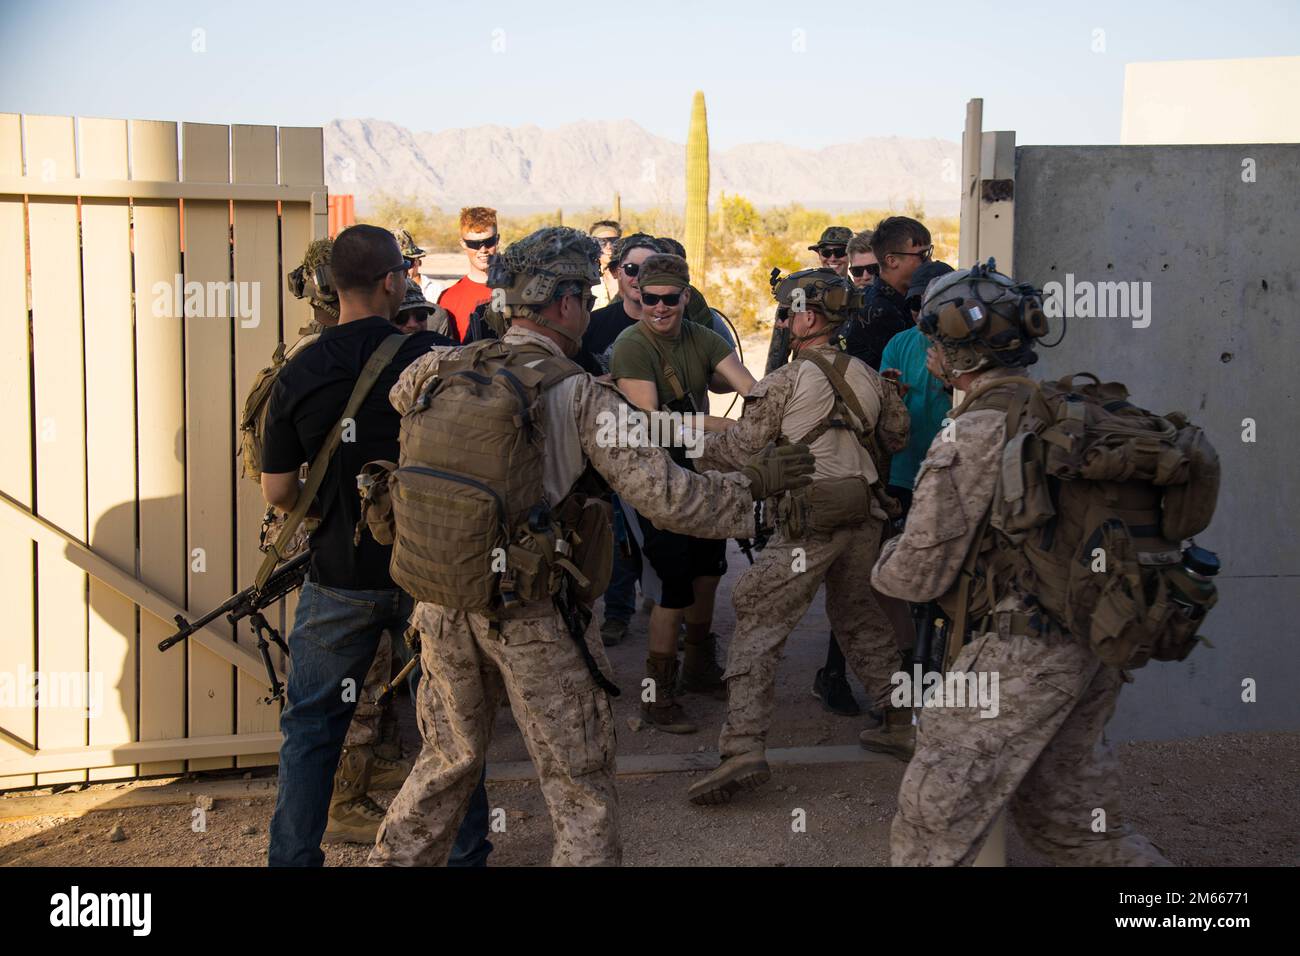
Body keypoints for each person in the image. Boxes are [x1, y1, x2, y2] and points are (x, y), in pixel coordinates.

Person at [369, 226, 815, 865]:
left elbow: (401, 406)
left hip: (441, 598)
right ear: (565, 302)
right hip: (530, 613)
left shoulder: (434, 367)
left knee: (447, 758)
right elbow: (668, 497)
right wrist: (758, 504)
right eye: (582, 293)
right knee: (579, 780)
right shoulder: (574, 390)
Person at [873, 262, 1171, 867]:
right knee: (1079, 830)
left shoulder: (974, 429)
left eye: (934, 339)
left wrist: (880, 556)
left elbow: (917, 574)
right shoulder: (1057, 408)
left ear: (954, 352)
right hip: (1091, 637)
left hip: (1018, 654)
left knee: (930, 827)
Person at [261, 224, 490, 867]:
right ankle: (466, 854)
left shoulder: (301, 368)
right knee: (451, 726)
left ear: (333, 287)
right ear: (394, 281)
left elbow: (278, 489)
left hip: (338, 574)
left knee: (311, 728)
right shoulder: (428, 357)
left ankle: (294, 859)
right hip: (427, 574)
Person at [684, 268, 909, 804]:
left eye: (786, 312)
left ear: (807, 317)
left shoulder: (783, 381)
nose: (781, 322)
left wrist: (692, 449)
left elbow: (742, 450)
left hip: (812, 520)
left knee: (759, 616)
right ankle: (901, 721)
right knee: (860, 617)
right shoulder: (869, 374)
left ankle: (742, 749)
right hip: (865, 514)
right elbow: (897, 433)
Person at [610, 253, 757, 733]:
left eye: (669, 299)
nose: (658, 307)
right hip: (654, 476)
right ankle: (658, 694)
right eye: (649, 298)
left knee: (709, 572)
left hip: (700, 474)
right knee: (671, 586)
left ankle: (697, 664)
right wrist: (713, 424)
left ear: (685, 297)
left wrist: (772, 409)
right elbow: (647, 420)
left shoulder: (703, 337)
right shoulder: (631, 345)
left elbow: (749, 388)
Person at [436, 206, 499, 343]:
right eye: (474, 244)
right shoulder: (449, 298)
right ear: (463, 244)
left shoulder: (519, 289)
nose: (483, 250)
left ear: (497, 239)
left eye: (489, 242)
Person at [589, 220, 622, 309]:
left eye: (614, 241)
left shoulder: (630, 273)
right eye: (602, 242)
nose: (609, 246)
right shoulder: (586, 277)